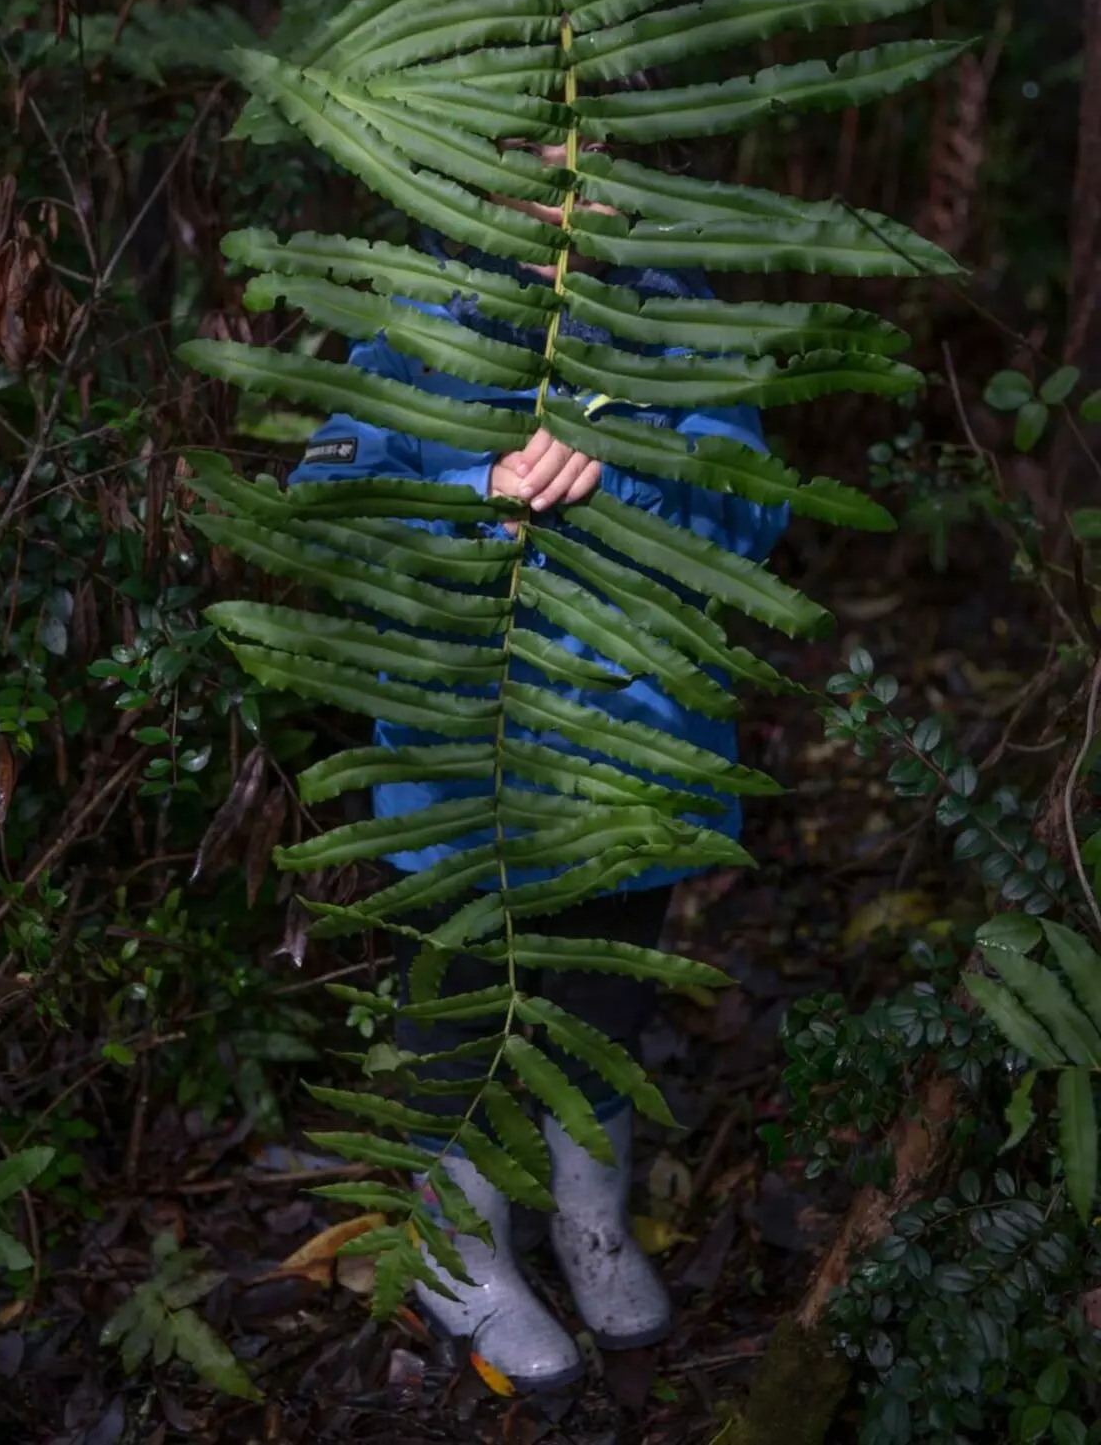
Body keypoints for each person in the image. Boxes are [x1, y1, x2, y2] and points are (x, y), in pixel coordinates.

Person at [287, 144, 787, 1391]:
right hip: (464, 756)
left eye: (586, 170)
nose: (560, 201)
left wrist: (624, 480)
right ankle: (460, 1255)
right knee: (456, 1008)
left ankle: (590, 1221)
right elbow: (330, 497)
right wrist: (476, 487)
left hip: (634, 750)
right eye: (529, 172)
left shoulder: (674, 315)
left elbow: (755, 511)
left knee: (600, 1002)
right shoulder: (415, 314)